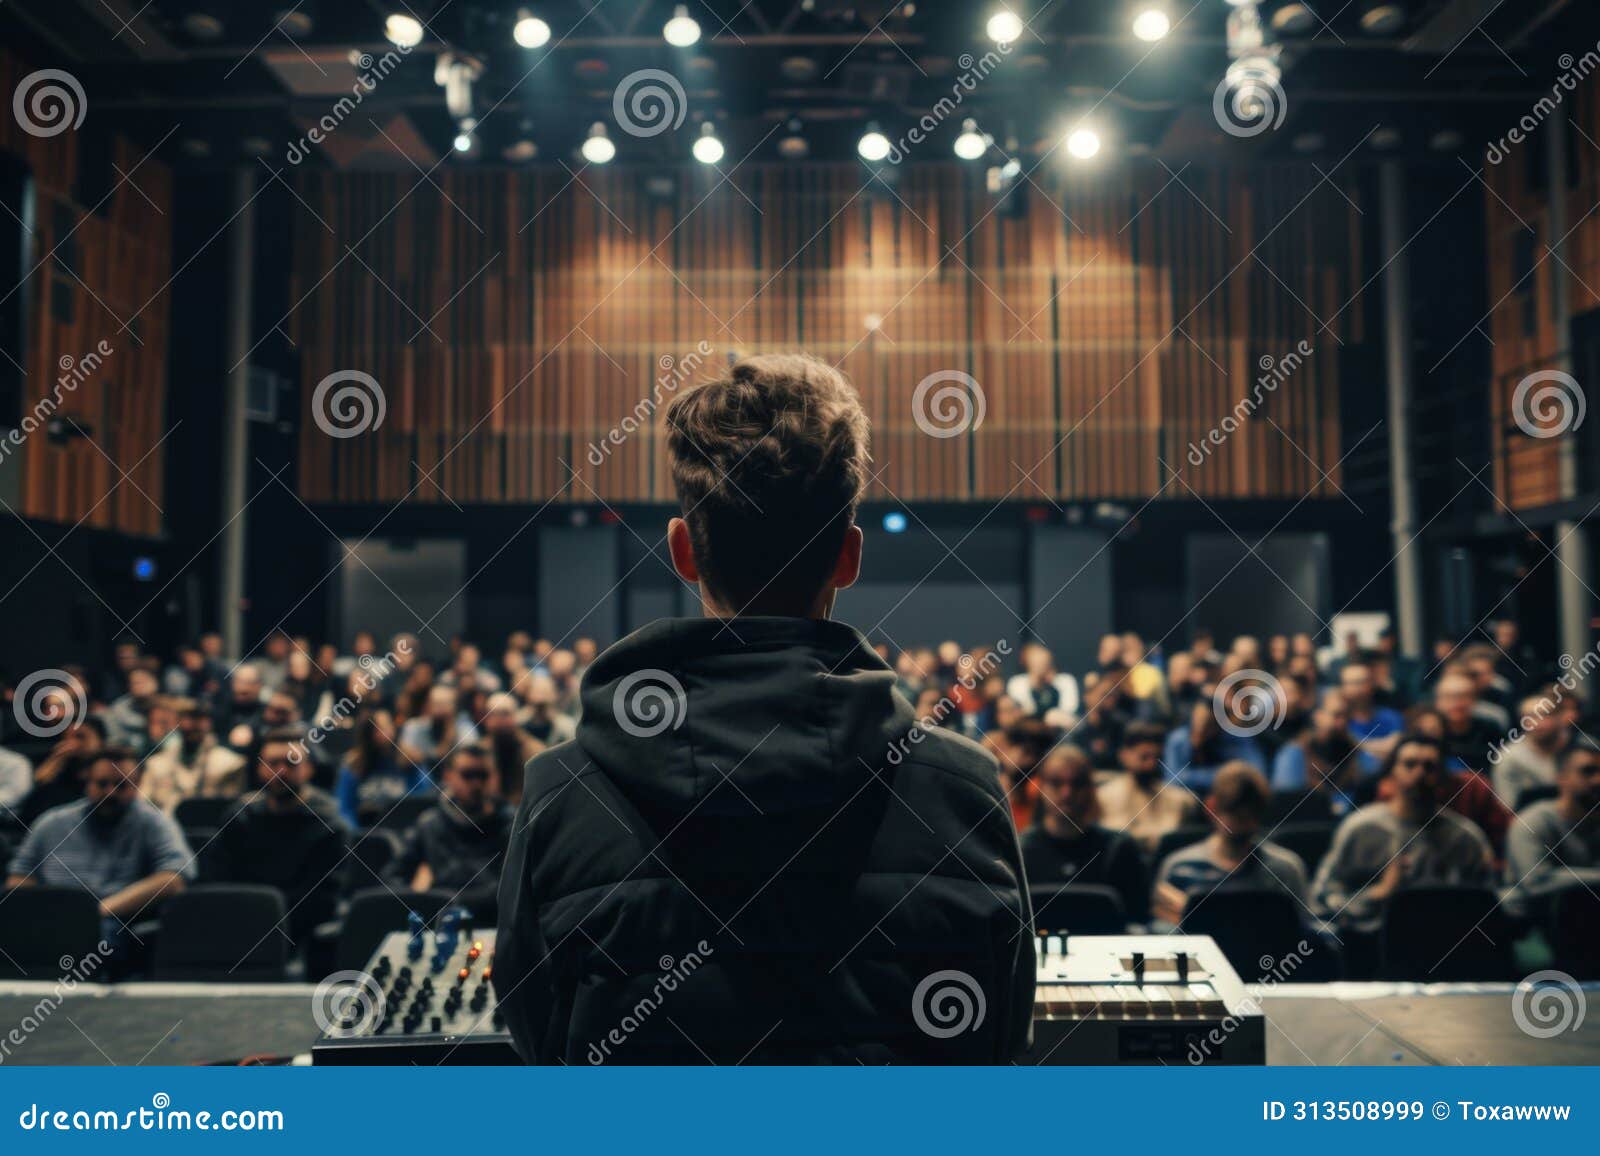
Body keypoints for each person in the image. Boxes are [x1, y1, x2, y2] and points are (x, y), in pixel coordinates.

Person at [495, 354, 1033, 1063]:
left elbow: (540, 1036)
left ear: (683, 552)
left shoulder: (559, 796)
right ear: (850, 557)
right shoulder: (962, 789)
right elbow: (998, 1042)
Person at [1312, 734, 1495, 968]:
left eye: (1429, 767)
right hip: (1371, 950)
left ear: (1442, 777)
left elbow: (1487, 909)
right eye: (1409, 764)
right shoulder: (1360, 829)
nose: (1419, 773)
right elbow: (1322, 900)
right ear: (1392, 773)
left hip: (1448, 951)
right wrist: (1379, 893)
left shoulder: (1465, 839)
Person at [6, 747, 193, 944]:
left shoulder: (154, 823)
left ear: (137, 785)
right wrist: (43, 912)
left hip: (116, 920)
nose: (110, 793)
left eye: (121, 785)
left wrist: (99, 910)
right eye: (102, 784)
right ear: (87, 782)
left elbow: (174, 879)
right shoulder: (51, 823)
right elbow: (19, 879)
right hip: (50, 918)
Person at [203, 729, 348, 946]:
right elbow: (217, 881)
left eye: (291, 763)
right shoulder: (239, 818)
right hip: (238, 927)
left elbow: (320, 902)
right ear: (261, 769)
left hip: (298, 936)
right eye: (272, 763)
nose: (281, 772)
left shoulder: (328, 826)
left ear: (308, 769)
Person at [1151, 761, 1310, 927]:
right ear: (1211, 808)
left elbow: (1304, 933)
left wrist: (1194, 913)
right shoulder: (1179, 867)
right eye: (1236, 815)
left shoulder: (1285, 870)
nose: (1245, 824)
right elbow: (1163, 935)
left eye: (1251, 815)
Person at [1021, 746, 1147, 922]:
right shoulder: (1020, 850)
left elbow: (1138, 919)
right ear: (1040, 788)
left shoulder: (1119, 848)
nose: (1067, 793)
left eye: (1077, 783)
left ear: (1090, 789)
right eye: (1056, 783)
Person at [386, 744, 514, 918]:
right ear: (448, 776)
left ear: (495, 777)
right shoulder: (430, 825)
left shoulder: (512, 826)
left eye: (483, 775)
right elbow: (393, 878)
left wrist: (437, 898)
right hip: (438, 924)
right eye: (467, 775)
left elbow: (512, 893)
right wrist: (417, 898)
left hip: (494, 924)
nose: (476, 784)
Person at [1502, 741, 1600, 921]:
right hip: (1530, 924)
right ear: (1561, 777)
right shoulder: (1533, 821)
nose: (1597, 780)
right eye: (1588, 771)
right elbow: (1536, 883)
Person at [1097, 721, 1198, 853]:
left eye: (1156, 758)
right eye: (1144, 757)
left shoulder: (1182, 800)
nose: (1151, 764)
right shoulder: (1103, 797)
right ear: (1124, 755)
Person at [141, 700, 248, 814]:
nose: (191, 725)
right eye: (187, 718)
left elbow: (231, 811)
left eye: (198, 718)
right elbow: (141, 805)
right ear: (177, 723)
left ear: (209, 723)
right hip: (165, 826)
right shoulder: (156, 764)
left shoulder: (231, 764)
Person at [334, 709, 432, 829]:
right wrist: (356, 835)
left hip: (403, 829)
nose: (386, 734)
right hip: (364, 831)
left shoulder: (410, 761)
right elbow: (345, 809)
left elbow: (421, 800)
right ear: (367, 734)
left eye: (387, 727)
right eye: (378, 730)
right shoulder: (353, 765)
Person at [1163, 696, 1267, 793]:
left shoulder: (1236, 738)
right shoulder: (1178, 739)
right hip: (1189, 795)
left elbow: (1257, 773)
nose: (1199, 732)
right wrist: (1222, 774)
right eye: (1196, 723)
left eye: (1208, 726)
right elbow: (1173, 780)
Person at [1491, 691, 1572, 809]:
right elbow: (1507, 808)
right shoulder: (1508, 757)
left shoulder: (1578, 748)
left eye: (1545, 714)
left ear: (1559, 717)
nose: (1537, 722)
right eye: (1529, 717)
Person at [481, 693, 544, 805]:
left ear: (516, 716)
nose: (499, 720)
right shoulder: (480, 750)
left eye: (505, 714)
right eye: (494, 714)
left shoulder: (535, 751)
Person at [398, 686, 477, 774]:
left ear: (454, 707)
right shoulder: (414, 726)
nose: (440, 709)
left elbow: (469, 759)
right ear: (428, 705)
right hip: (421, 781)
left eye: (444, 704)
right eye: (436, 704)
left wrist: (450, 731)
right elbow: (403, 760)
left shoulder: (464, 727)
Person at [1339, 661, 1405, 762]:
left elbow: (1394, 748)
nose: (1357, 689)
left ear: (1371, 684)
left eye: (1361, 682)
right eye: (1351, 683)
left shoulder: (1392, 717)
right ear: (1342, 687)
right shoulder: (1339, 720)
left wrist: (1355, 743)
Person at [1006, 642, 1079, 725]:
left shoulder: (1065, 680)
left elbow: (1069, 709)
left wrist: (1051, 684)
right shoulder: (1016, 682)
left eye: (1044, 662)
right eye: (1036, 663)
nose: (1040, 666)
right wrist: (1034, 684)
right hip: (1029, 727)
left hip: (1060, 726)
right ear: (1027, 663)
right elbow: (1025, 710)